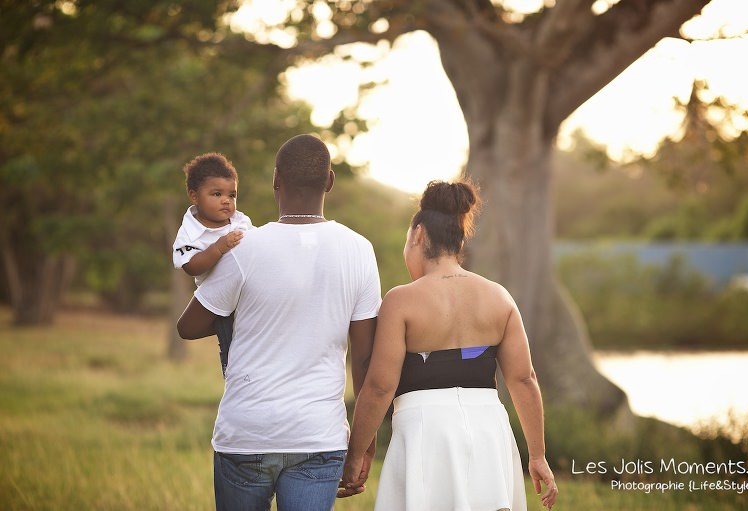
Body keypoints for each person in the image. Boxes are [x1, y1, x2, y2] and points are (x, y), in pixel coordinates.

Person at [176, 134, 381, 511]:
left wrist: (248, 309)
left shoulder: (243, 246)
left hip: (247, 434)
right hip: (318, 437)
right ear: (330, 181)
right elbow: (365, 360)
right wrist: (364, 444)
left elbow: (188, 327)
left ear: (275, 180)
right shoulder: (359, 250)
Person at [341, 180, 559, 510]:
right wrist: (538, 454)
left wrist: (356, 453)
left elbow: (380, 386)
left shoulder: (401, 301)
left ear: (418, 235)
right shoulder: (499, 297)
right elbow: (524, 378)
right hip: (489, 430)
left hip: (425, 432)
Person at [172, 152, 254, 378]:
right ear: (194, 196)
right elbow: (191, 266)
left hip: (247, 292)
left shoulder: (239, 221)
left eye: (232, 195)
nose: (227, 200)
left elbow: (256, 246)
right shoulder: (190, 232)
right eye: (217, 194)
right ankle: (235, 376)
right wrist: (218, 248)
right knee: (230, 342)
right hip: (220, 300)